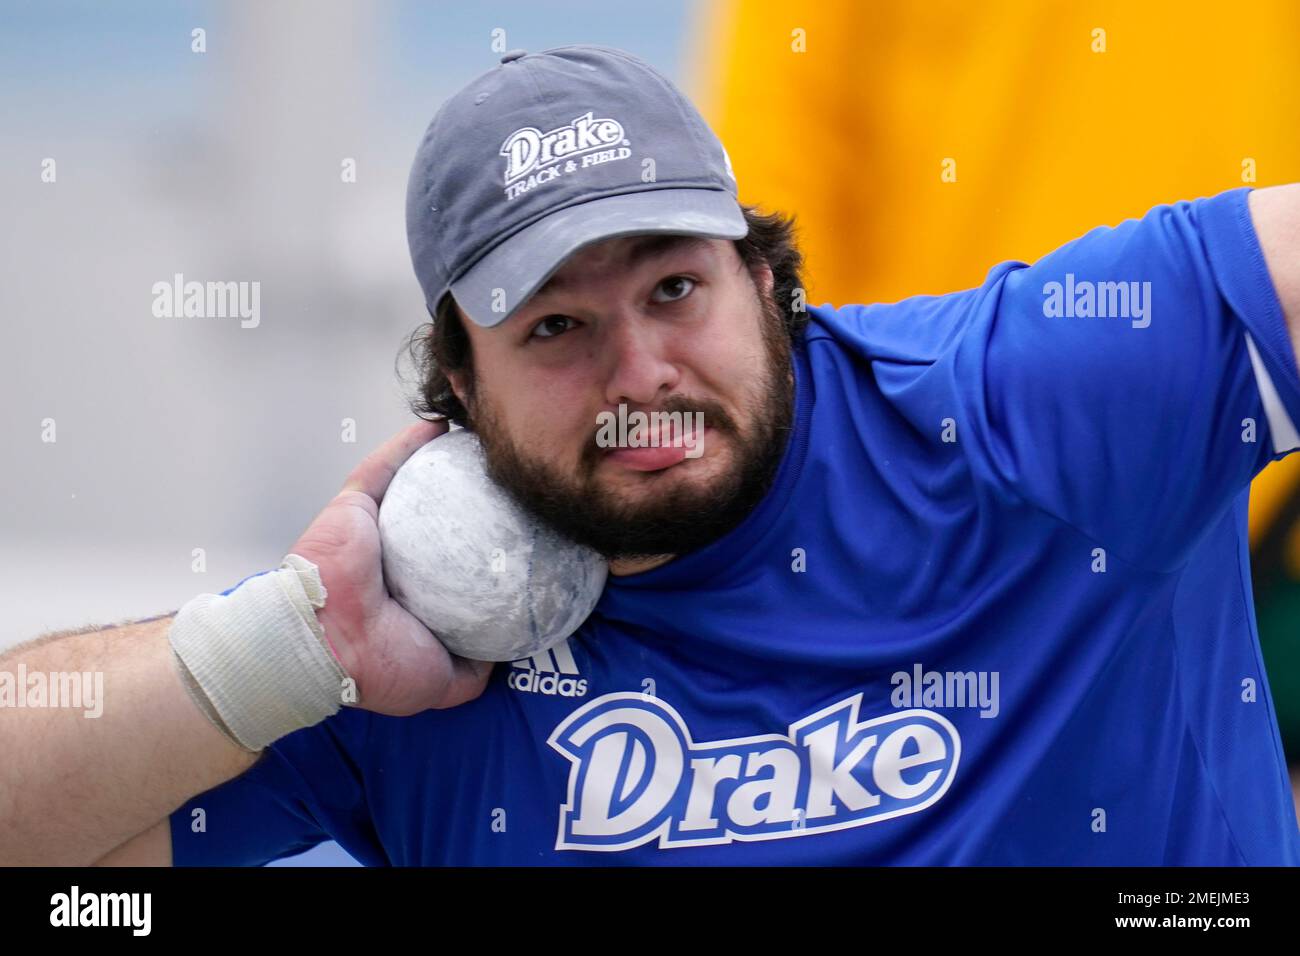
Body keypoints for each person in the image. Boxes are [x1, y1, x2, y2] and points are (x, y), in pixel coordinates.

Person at [3, 43, 1299, 866]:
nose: (639, 373)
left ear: (767, 278)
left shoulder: (1026, 403)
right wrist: (284, 653)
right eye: (557, 325)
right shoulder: (405, 659)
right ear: (457, 381)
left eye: (674, 289)